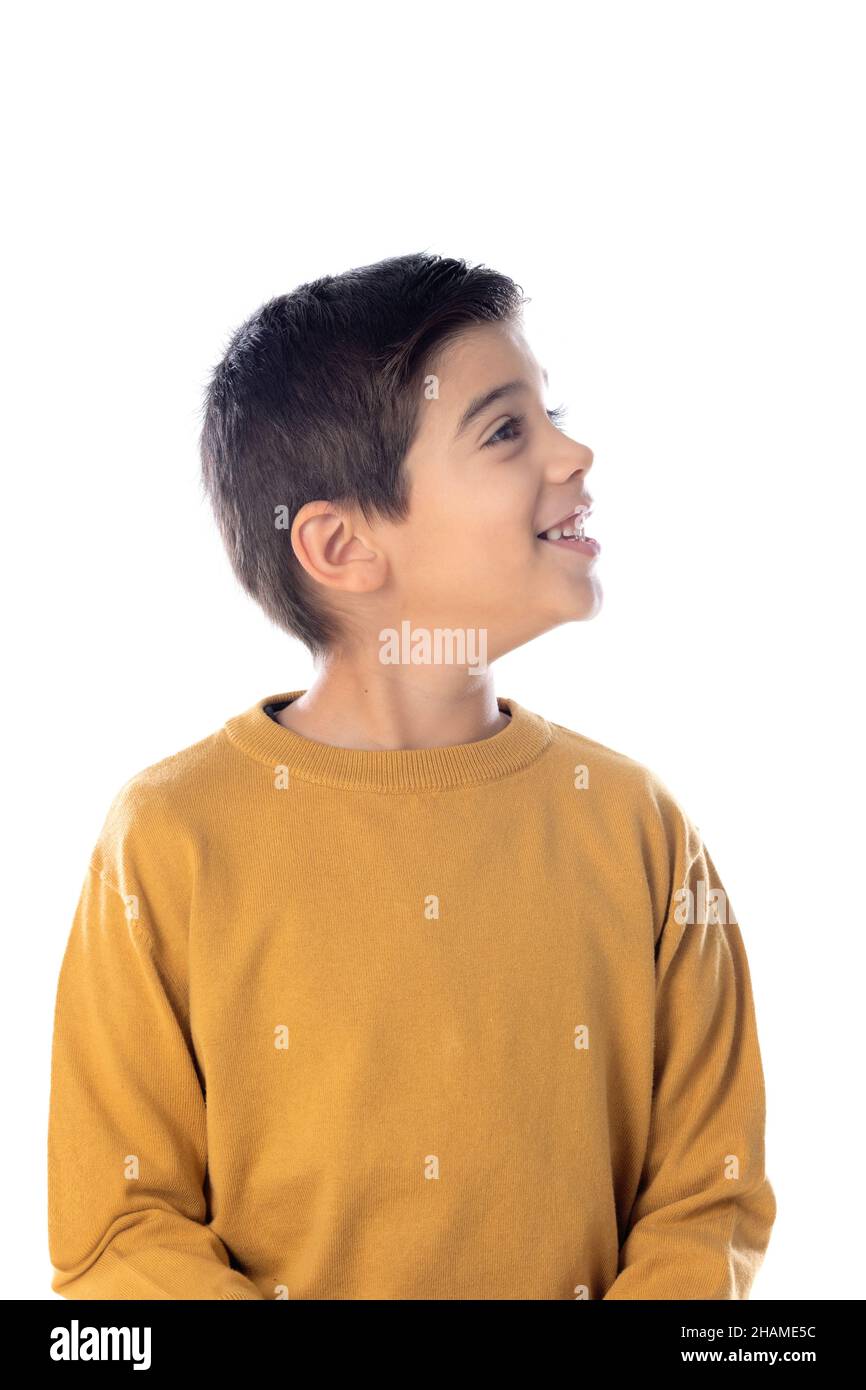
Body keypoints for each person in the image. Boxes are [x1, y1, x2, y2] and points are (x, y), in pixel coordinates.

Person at [47, 252, 776, 1300]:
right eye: (503, 430)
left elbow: (708, 1202)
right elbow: (117, 1230)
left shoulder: (637, 828)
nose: (573, 452)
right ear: (342, 545)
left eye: (549, 413)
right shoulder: (168, 840)